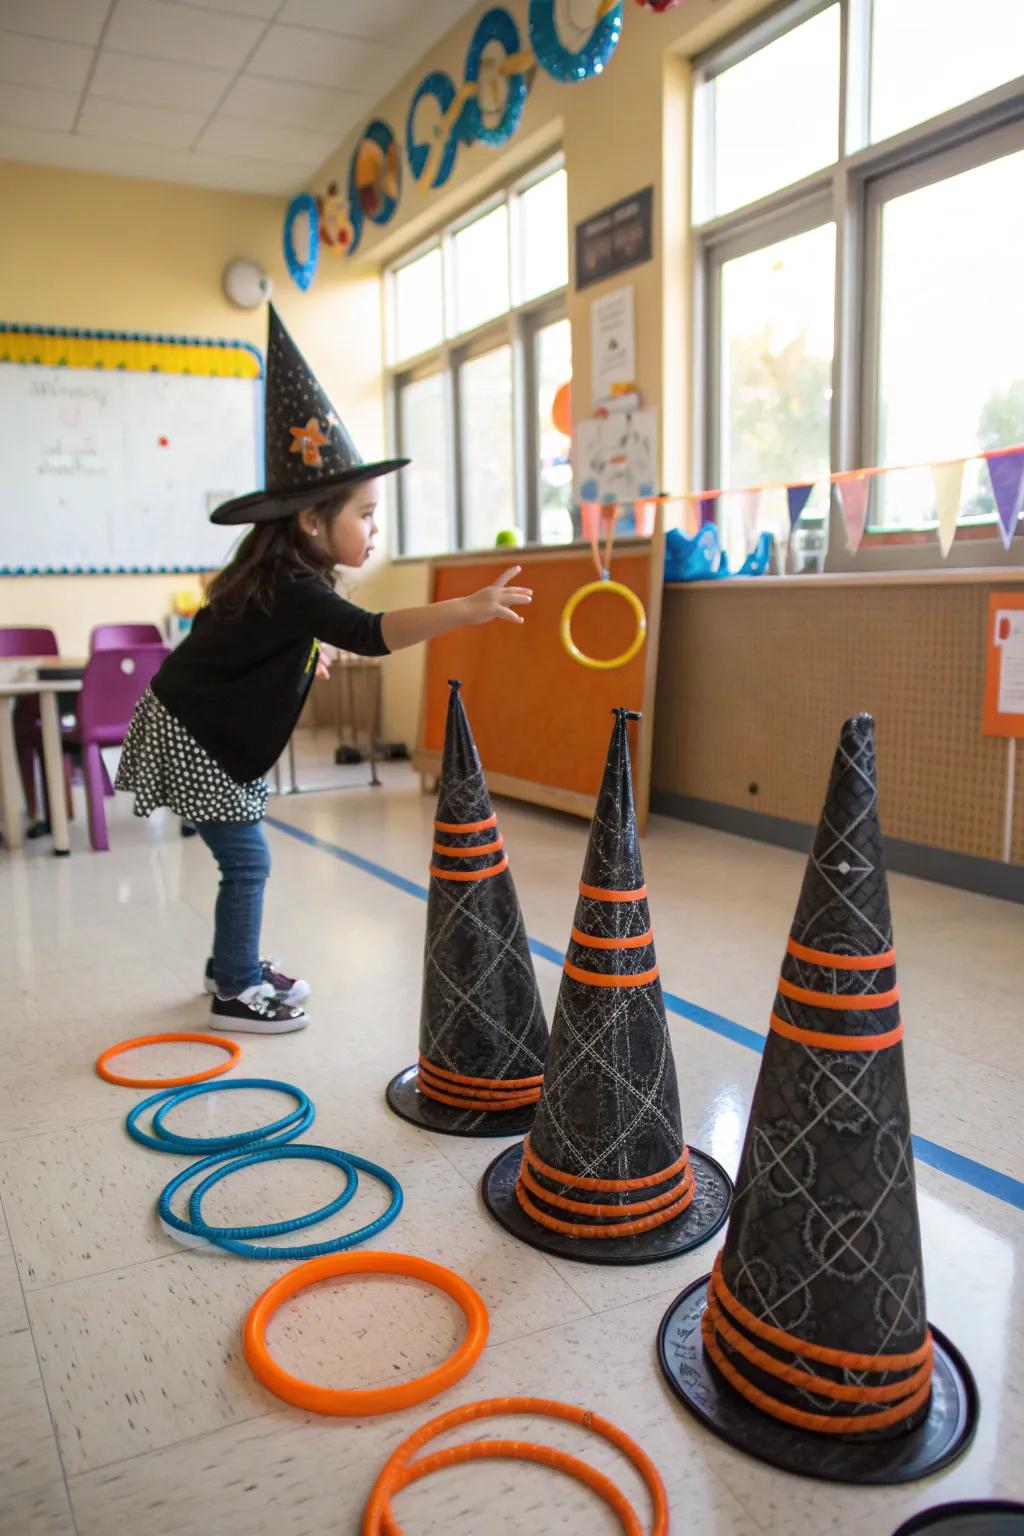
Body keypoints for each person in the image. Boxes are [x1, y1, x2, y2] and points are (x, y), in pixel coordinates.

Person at [116, 307, 531, 1035]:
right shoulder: (296, 587)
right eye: (365, 515)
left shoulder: (282, 579)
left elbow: (278, 641)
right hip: (194, 738)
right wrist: (462, 608)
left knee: (243, 859)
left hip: (192, 728)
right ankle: (235, 989)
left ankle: (229, 964)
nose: (374, 531)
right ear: (312, 521)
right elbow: (370, 634)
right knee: (248, 864)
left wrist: (313, 653)